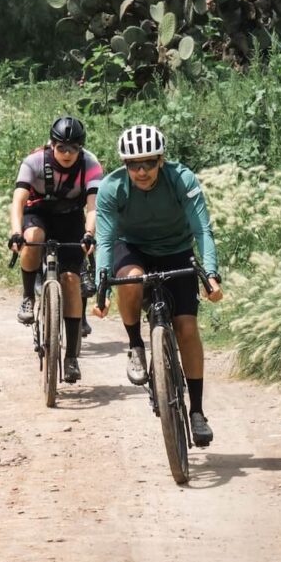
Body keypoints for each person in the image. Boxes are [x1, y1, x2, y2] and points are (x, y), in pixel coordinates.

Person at [90, 124, 223, 445]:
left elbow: (202, 230)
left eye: (149, 163)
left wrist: (212, 275)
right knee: (131, 281)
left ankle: (197, 412)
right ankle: (136, 345)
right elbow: (105, 241)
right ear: (125, 165)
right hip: (131, 247)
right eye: (133, 165)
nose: (141, 171)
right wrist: (102, 289)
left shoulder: (182, 179)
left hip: (177, 250)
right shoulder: (112, 188)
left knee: (187, 328)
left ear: (161, 160)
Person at [7, 116, 104, 384]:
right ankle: (28, 295)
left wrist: (89, 234)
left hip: (71, 219)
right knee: (32, 237)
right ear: (52, 145)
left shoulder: (91, 164)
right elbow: (18, 200)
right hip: (38, 213)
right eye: (61, 147)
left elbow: (93, 206)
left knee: (72, 280)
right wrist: (16, 232)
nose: (67, 153)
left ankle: (71, 357)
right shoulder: (34, 161)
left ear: (81, 148)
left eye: (73, 148)